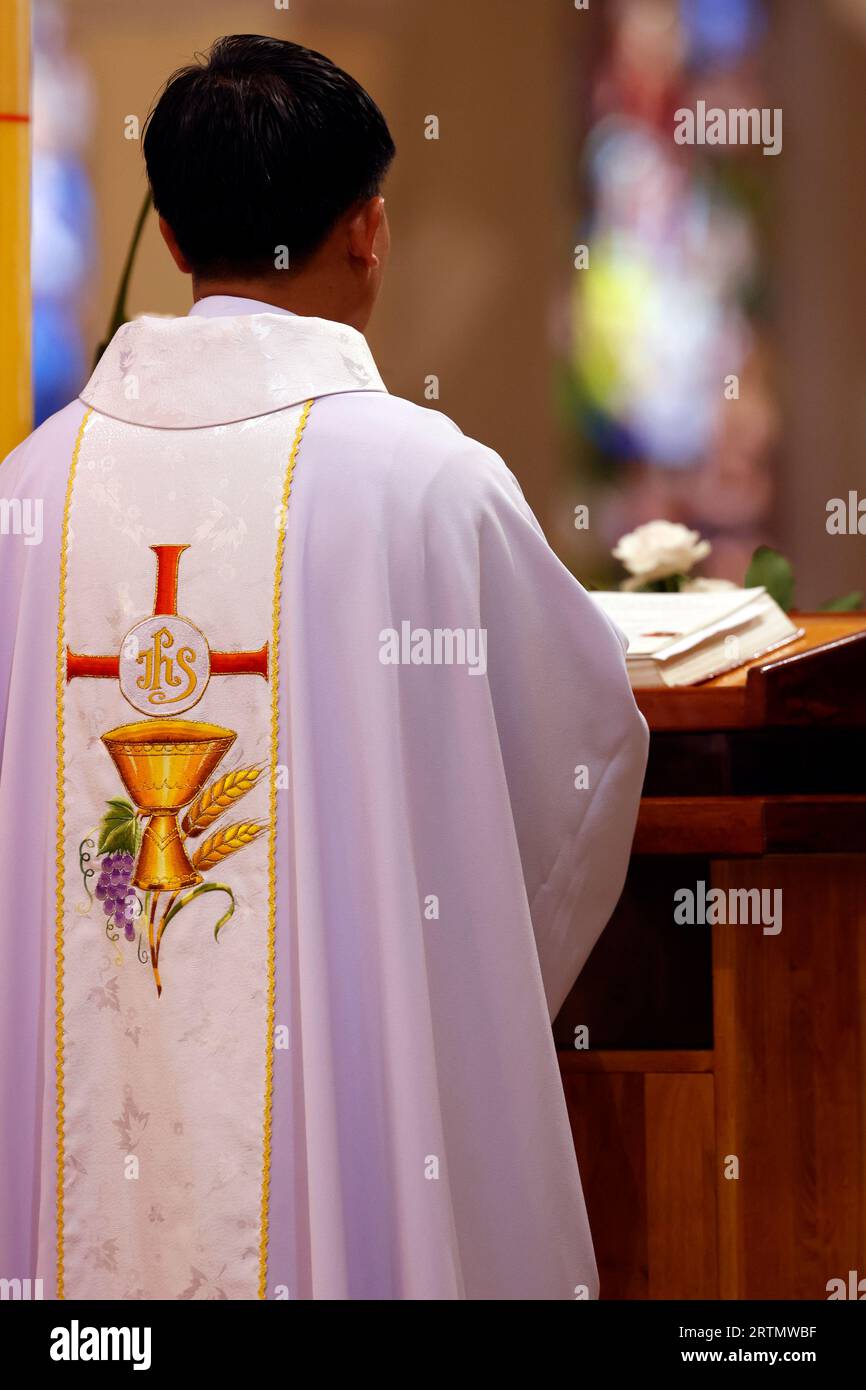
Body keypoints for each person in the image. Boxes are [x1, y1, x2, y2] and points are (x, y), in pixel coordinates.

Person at [0, 34, 647, 1301]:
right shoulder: (427, 486)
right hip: (354, 1126)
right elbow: (579, 760)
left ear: (175, 244)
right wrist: (426, 980)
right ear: (369, 230)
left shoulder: (28, 496)